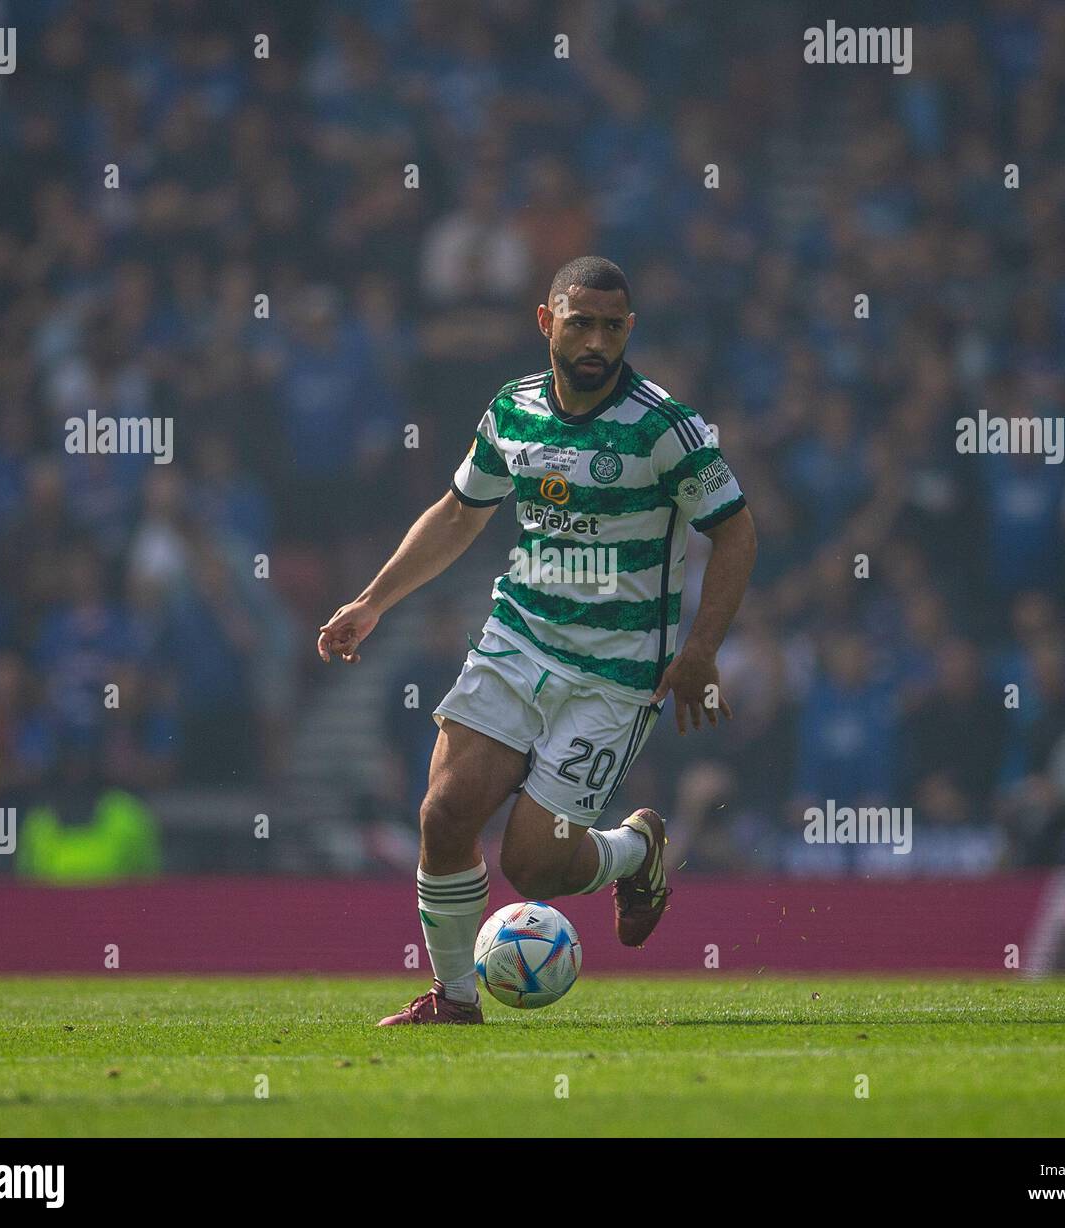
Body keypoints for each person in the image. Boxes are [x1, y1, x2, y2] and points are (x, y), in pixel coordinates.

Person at [318, 256, 756, 1024]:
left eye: (612, 327)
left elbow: (738, 532)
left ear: (630, 331)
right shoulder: (512, 409)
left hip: (615, 676)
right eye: (580, 322)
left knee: (533, 865)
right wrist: (373, 600)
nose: (596, 340)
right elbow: (459, 513)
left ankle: (635, 850)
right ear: (546, 320)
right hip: (517, 643)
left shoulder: (665, 427)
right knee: (444, 815)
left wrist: (700, 651)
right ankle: (455, 999)